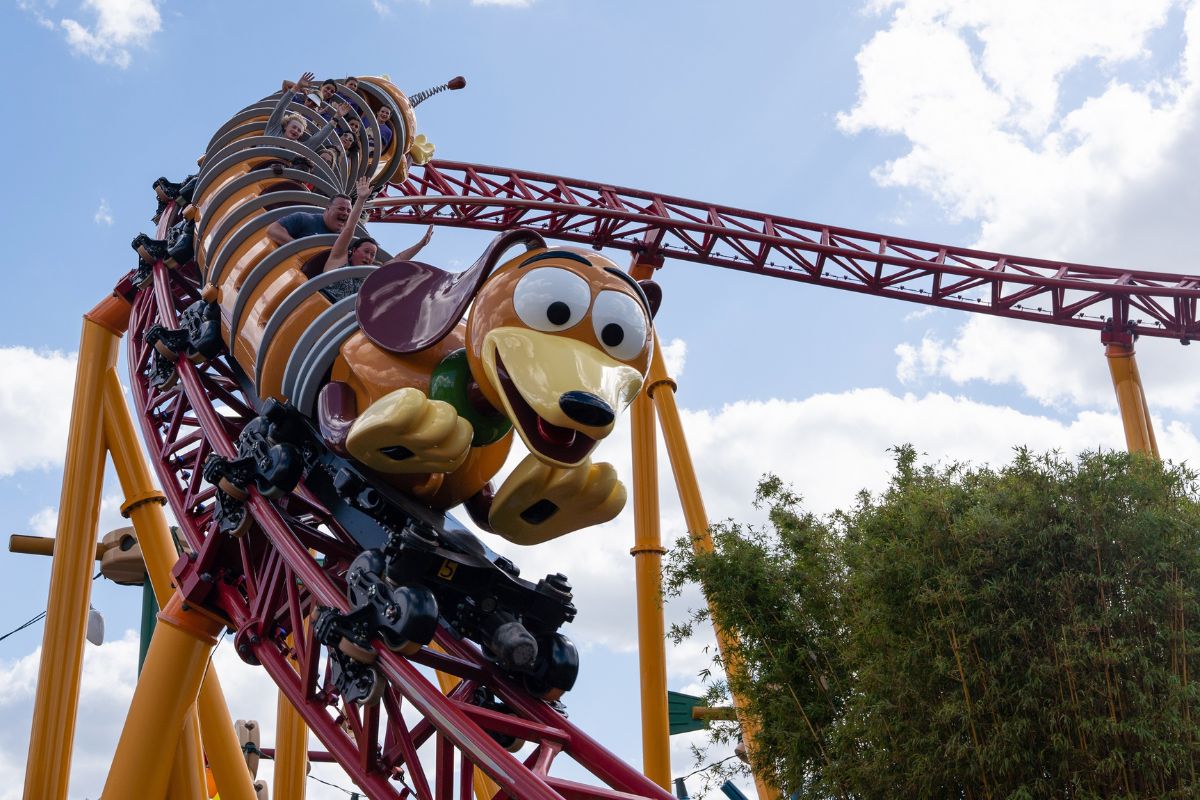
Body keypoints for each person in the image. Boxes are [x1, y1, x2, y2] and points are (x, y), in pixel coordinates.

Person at [265, 72, 348, 147]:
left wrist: (337, 117)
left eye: (299, 130)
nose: (295, 131)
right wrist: (298, 87)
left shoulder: (298, 147)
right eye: (294, 127)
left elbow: (318, 138)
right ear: (286, 126)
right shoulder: (274, 130)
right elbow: (280, 107)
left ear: (301, 134)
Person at [266, 193, 353, 245]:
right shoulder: (304, 219)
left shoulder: (343, 239)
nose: (345, 213)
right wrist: (299, 247)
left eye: (349, 211)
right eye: (341, 209)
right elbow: (273, 230)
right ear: (328, 208)